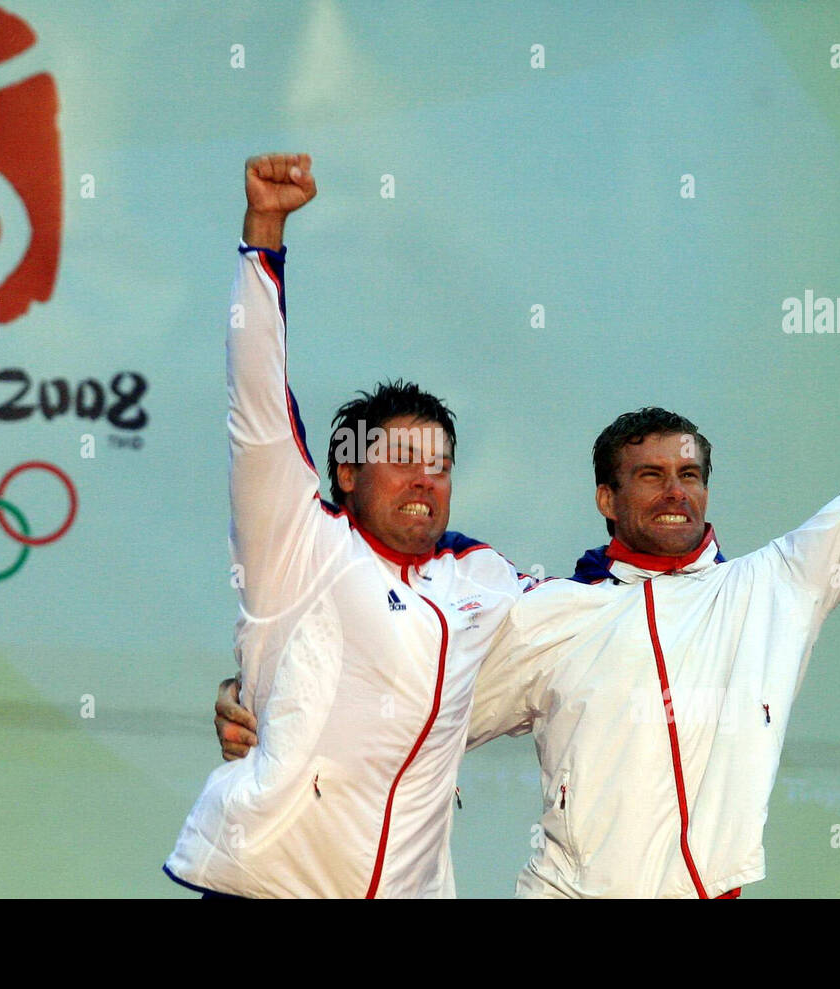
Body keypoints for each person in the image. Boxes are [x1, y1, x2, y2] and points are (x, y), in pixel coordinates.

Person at [217, 251, 840, 898]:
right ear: (607, 499)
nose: (676, 490)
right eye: (649, 475)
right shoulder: (549, 613)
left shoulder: (776, 587)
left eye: (689, 472)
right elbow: (401, 700)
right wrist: (264, 708)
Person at [164, 153, 531, 898]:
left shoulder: (484, 581)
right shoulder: (298, 540)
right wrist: (264, 230)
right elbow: (258, 400)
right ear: (347, 472)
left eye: (440, 463)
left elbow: (599, 627)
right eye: (400, 458)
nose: (425, 476)